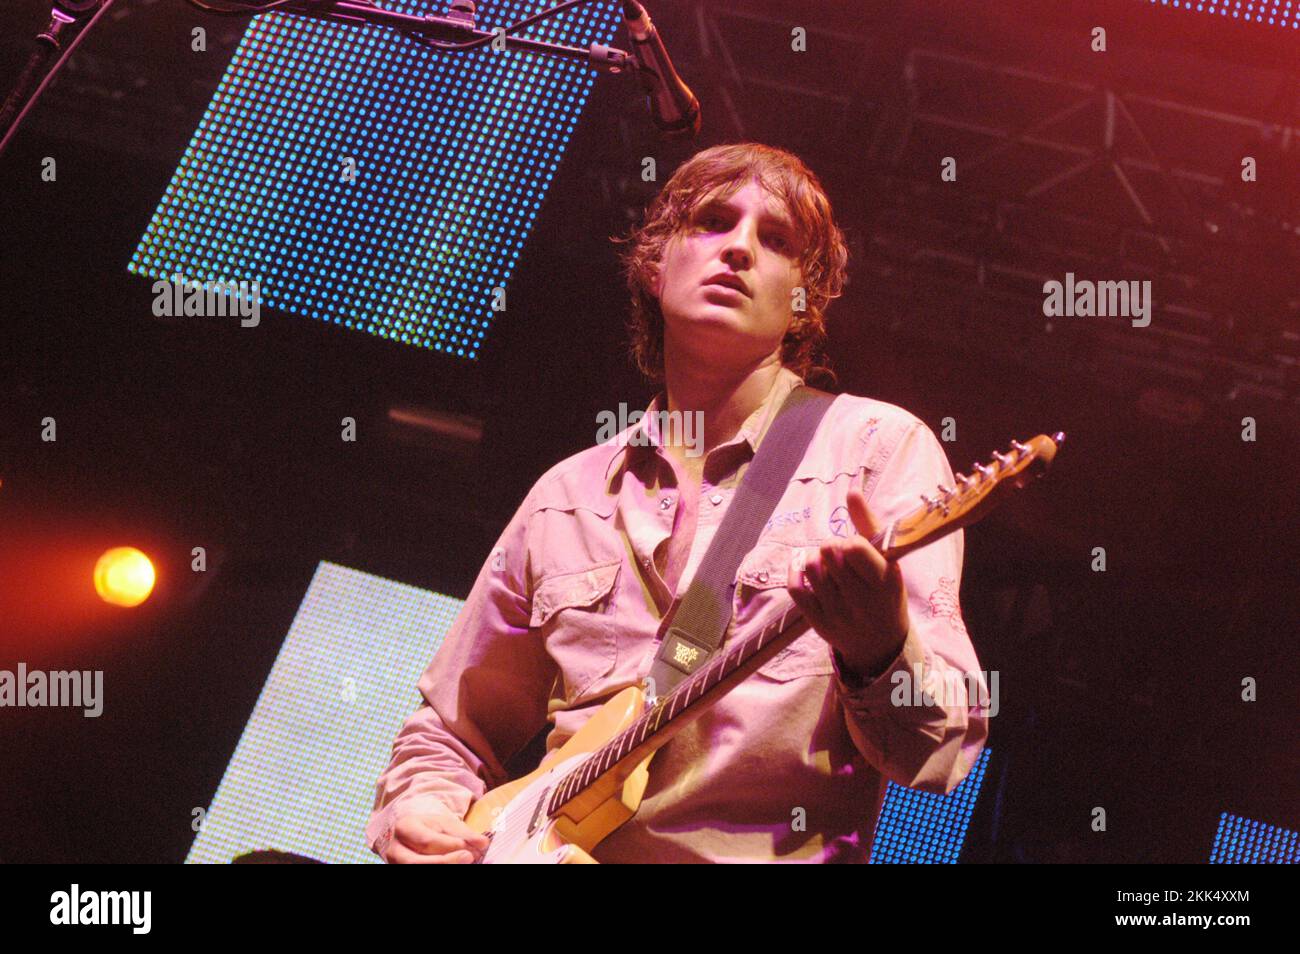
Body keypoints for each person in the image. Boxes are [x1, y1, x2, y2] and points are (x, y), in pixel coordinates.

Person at [366, 142, 988, 863]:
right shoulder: (566, 497)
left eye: (775, 239)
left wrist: (880, 647)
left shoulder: (876, 451)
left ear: (802, 302)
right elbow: (450, 729)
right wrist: (417, 807)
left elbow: (939, 752)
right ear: (655, 265)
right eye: (714, 222)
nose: (740, 250)